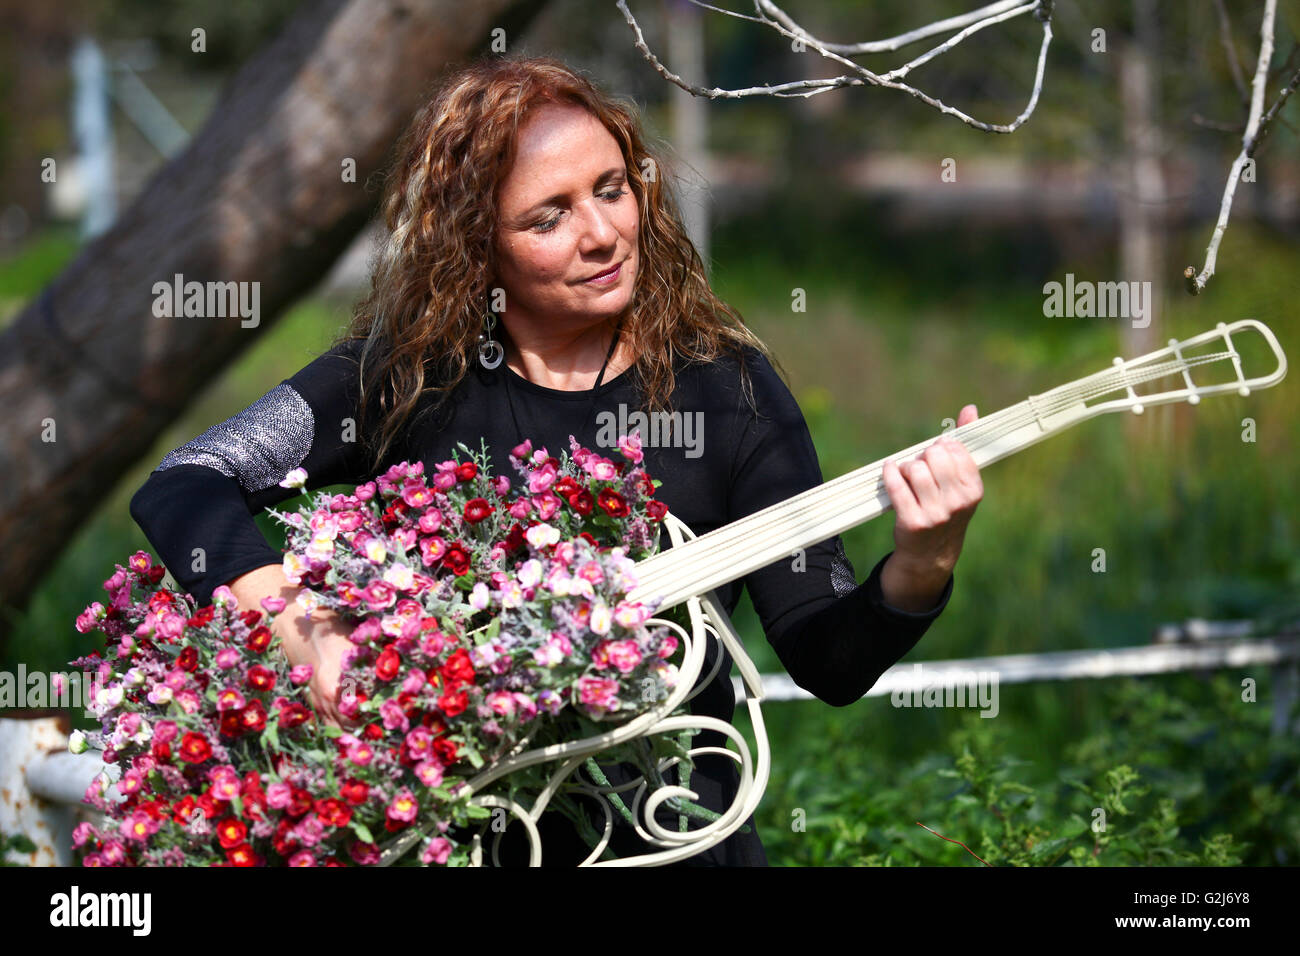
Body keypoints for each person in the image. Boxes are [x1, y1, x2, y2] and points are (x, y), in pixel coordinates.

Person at [129, 54, 983, 867]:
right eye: (550, 215)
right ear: (475, 242)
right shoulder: (409, 372)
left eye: (613, 191)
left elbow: (827, 661)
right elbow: (187, 482)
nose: (603, 233)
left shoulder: (727, 389)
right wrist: (298, 624)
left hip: (680, 848)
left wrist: (924, 560)